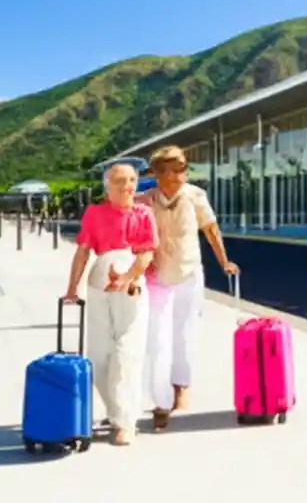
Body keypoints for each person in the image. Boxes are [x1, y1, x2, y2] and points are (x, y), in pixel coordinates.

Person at [138, 145, 239, 431]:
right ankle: (160, 395)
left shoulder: (195, 196)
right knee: (158, 337)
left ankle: (181, 387)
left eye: (183, 166)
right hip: (157, 276)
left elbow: (210, 229)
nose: (182, 172)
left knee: (184, 332)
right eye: (176, 167)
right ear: (160, 173)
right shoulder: (145, 200)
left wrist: (224, 261)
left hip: (188, 273)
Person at [62, 162, 158, 446]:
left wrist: (127, 278)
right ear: (108, 187)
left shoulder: (144, 214)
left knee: (128, 352)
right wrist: (71, 288)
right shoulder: (95, 213)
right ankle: (117, 410)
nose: (127, 186)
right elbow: (82, 252)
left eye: (131, 180)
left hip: (131, 286)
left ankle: (125, 422)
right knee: (100, 354)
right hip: (99, 286)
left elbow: (146, 254)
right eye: (120, 181)